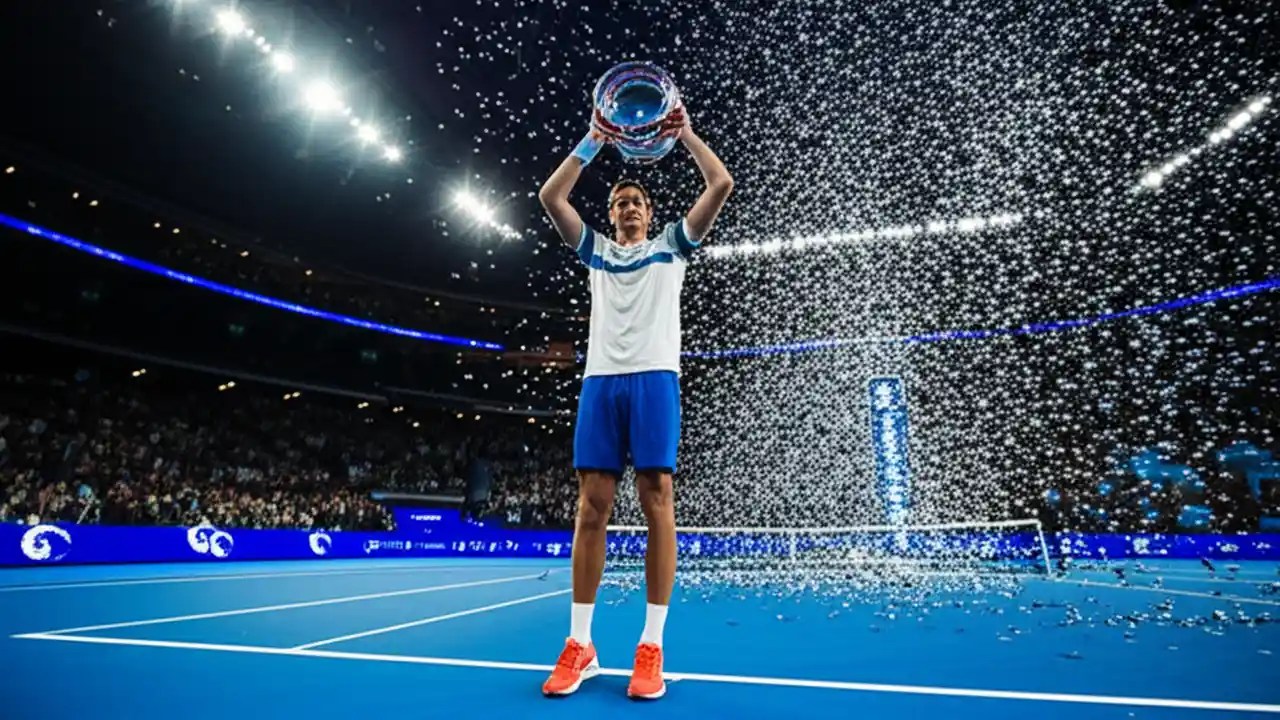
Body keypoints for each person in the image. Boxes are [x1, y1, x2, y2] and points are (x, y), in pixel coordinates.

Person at [536, 101, 734, 700]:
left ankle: (651, 647)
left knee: (657, 499)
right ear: (611, 213)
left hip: (653, 380)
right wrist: (594, 141)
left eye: (637, 203)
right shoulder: (595, 251)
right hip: (601, 380)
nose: (627, 208)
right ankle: (581, 645)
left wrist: (687, 135)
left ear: (649, 215)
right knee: (591, 507)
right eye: (619, 202)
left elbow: (720, 183)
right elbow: (550, 197)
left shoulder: (673, 245)